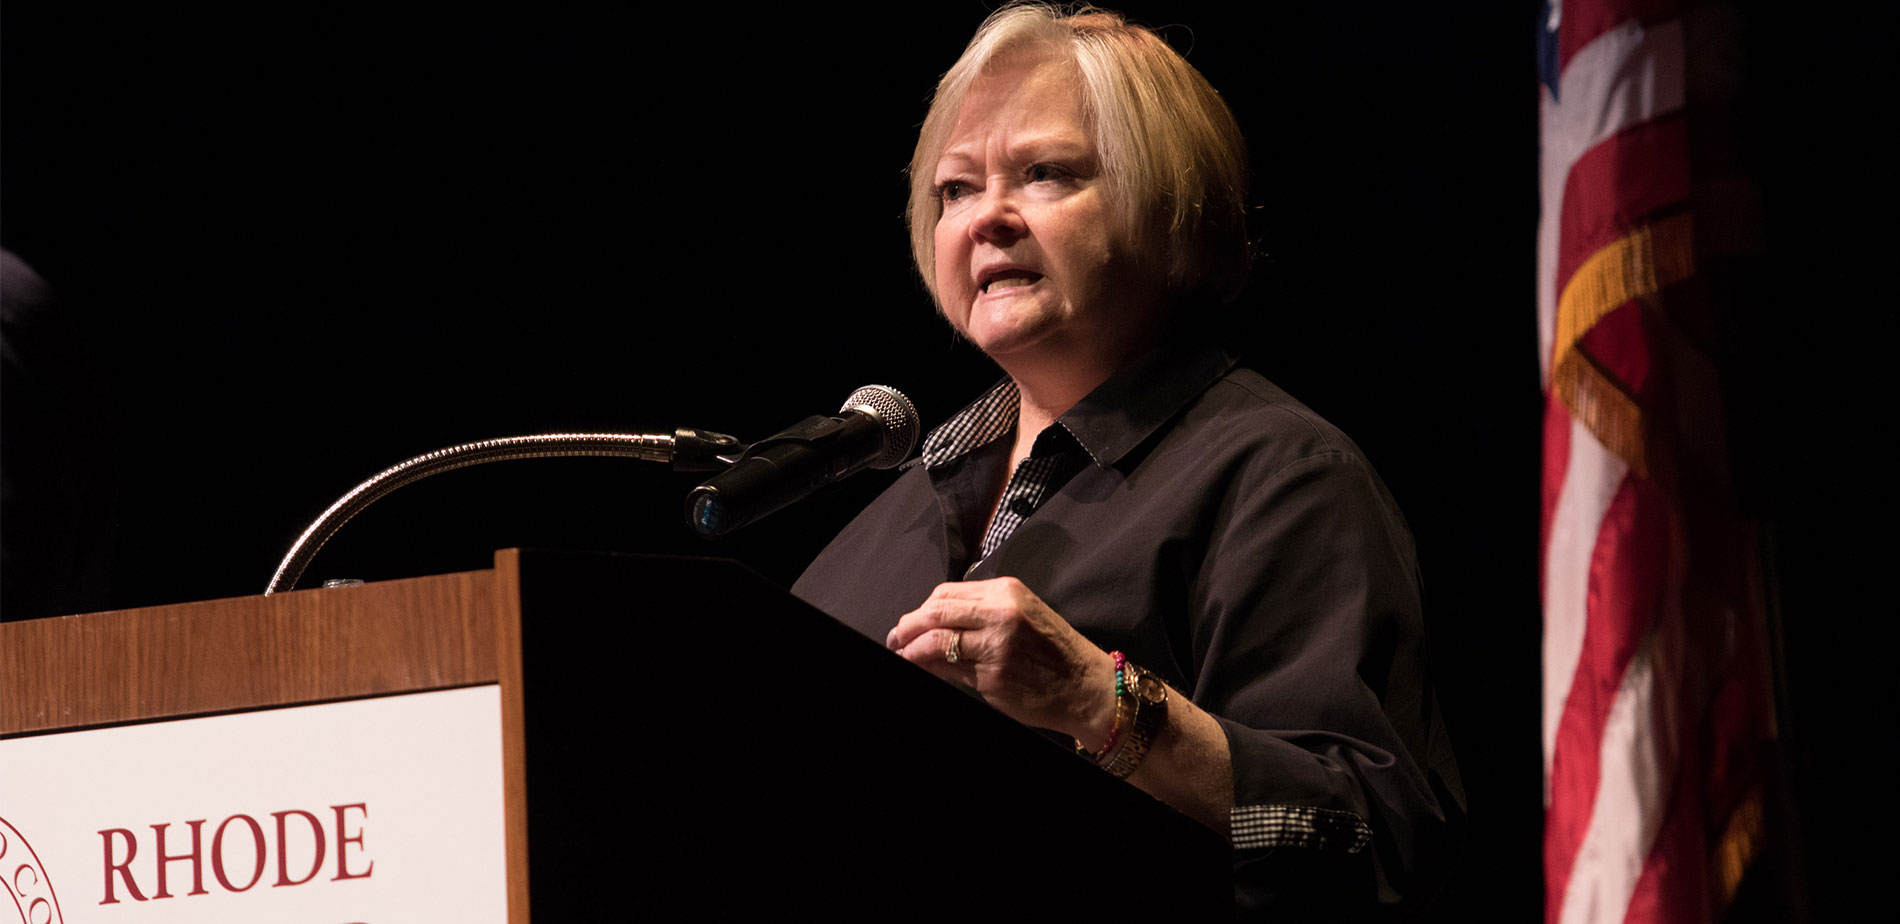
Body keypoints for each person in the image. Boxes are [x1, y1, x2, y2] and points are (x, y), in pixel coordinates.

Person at [792, 3, 1463, 917]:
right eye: (955, 189)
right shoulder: (892, 518)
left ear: (1166, 199)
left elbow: (1373, 837)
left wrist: (1100, 702)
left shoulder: (1279, 475)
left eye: (1045, 174)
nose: (987, 217)